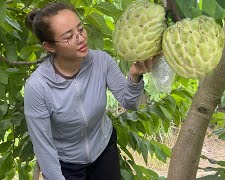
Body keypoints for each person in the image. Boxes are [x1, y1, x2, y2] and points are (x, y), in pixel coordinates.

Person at [24, 2, 155, 180]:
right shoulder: (38, 86)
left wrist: (134, 76)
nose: (80, 38)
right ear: (49, 46)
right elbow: (44, 147)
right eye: (69, 36)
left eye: (80, 29)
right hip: (66, 163)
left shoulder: (101, 61)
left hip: (103, 150)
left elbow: (129, 102)